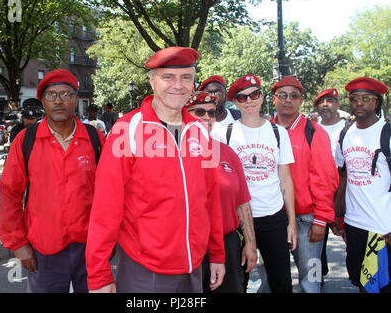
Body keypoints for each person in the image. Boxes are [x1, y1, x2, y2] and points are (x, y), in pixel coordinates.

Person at [86, 46, 226, 293]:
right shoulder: (125, 129)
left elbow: (211, 197)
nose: (178, 85)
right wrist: (99, 274)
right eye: (168, 77)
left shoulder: (202, 131)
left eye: (186, 77)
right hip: (145, 269)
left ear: (194, 84)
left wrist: (217, 253)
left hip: (194, 266)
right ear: (152, 81)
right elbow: (105, 207)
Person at [0, 69, 106, 293]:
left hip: (90, 245)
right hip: (43, 248)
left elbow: (112, 193)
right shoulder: (25, 140)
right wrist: (18, 243)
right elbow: (9, 192)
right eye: (51, 95)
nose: (58, 101)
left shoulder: (95, 138)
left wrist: (111, 238)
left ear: (76, 99)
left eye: (66, 94)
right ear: (42, 101)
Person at [212, 75, 297, 293]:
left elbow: (285, 179)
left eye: (254, 94)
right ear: (236, 102)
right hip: (238, 220)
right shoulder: (224, 133)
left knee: (281, 282)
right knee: (238, 282)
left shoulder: (279, 133)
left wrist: (292, 222)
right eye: (242, 97)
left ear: (262, 97)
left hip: (272, 216)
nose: (249, 100)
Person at [270, 76, 338, 293]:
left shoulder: (315, 132)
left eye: (294, 96)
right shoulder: (264, 130)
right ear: (273, 99)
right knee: (270, 281)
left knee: (312, 280)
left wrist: (321, 219)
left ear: (301, 101)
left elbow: (326, 177)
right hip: (272, 219)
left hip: (307, 220)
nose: (288, 100)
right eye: (282, 95)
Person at [185, 91, 257, 293]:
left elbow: (242, 202)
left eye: (212, 113)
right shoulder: (172, 153)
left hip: (227, 243)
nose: (207, 118)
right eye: (199, 112)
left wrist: (250, 243)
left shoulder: (227, 152)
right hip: (189, 244)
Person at [331, 77, 391, 293]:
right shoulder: (345, 133)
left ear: (377, 102)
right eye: (354, 98)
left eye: (366, 98)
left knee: (383, 286)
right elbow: (343, 175)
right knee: (361, 282)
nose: (359, 103)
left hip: (383, 228)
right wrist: (335, 213)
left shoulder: (387, 133)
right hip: (355, 224)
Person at [314, 88, 347, 279]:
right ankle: (319, 278)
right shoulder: (312, 128)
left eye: (330, 100)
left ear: (338, 104)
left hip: (343, 190)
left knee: (347, 234)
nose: (325, 105)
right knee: (318, 240)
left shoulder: (348, 129)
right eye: (321, 102)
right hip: (320, 190)